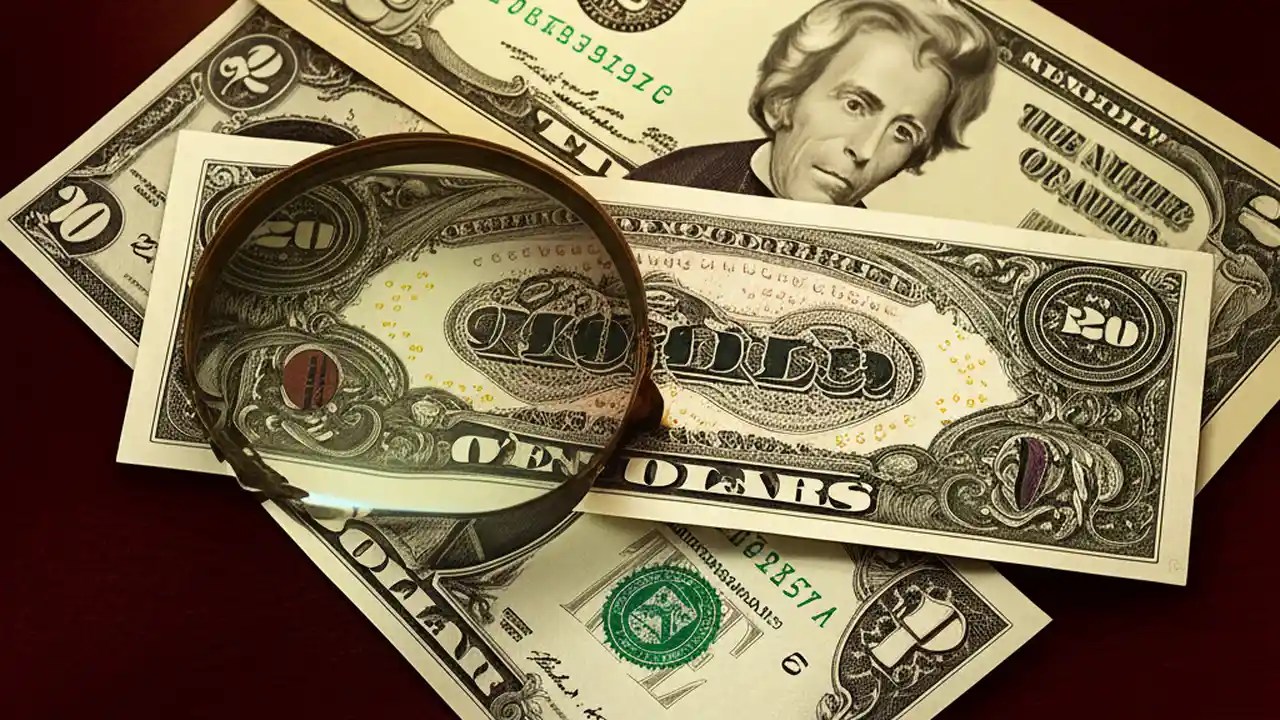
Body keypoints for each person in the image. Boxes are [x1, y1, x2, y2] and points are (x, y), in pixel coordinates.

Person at [627, 0, 998, 208]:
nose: (865, 150)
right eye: (855, 105)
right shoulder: (674, 185)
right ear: (784, 100)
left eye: (902, 132)